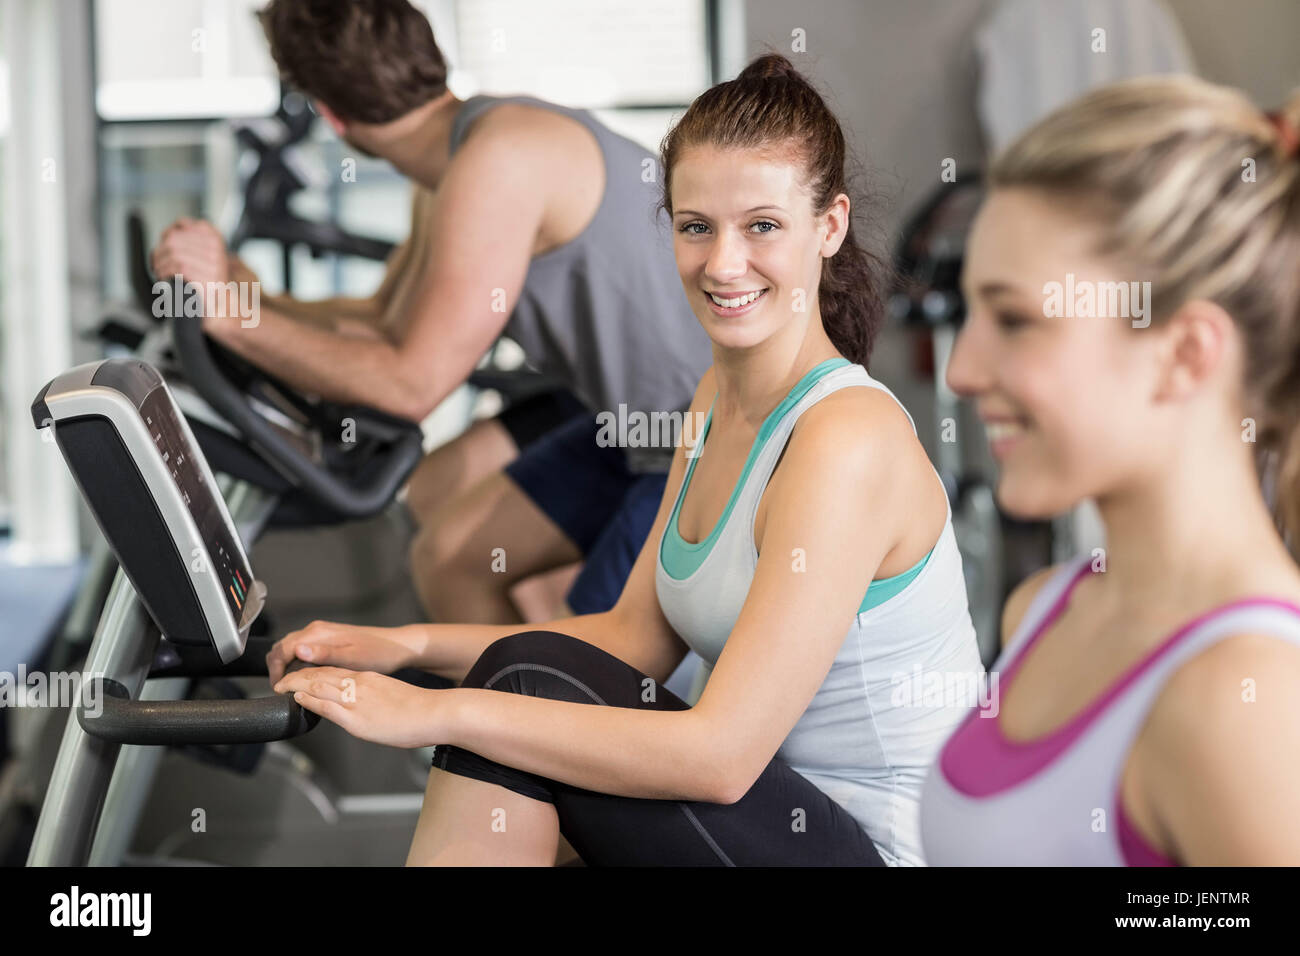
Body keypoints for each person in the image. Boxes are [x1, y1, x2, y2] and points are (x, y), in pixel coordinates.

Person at [268, 53, 983, 867]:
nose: (722, 263)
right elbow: (632, 637)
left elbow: (718, 759)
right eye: (695, 226)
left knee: (515, 695)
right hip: (767, 826)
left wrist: (429, 713)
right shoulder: (714, 400)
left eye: (762, 226)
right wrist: (403, 647)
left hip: (880, 852)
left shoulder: (844, 438)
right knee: (522, 666)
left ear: (829, 226)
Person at [150, 0, 712, 624]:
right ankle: (505, 711)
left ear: (331, 117)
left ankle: (552, 703)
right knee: (450, 559)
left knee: (583, 667)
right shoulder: (460, 150)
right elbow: (380, 322)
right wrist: (245, 296)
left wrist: (230, 319)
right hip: (638, 428)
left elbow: (409, 383)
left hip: (717, 439)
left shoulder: (497, 158)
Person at [922, 76, 1300, 865]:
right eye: (971, 317)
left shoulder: (1249, 703)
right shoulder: (1042, 611)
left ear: (1184, 354)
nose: (963, 372)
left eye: (1015, 319)